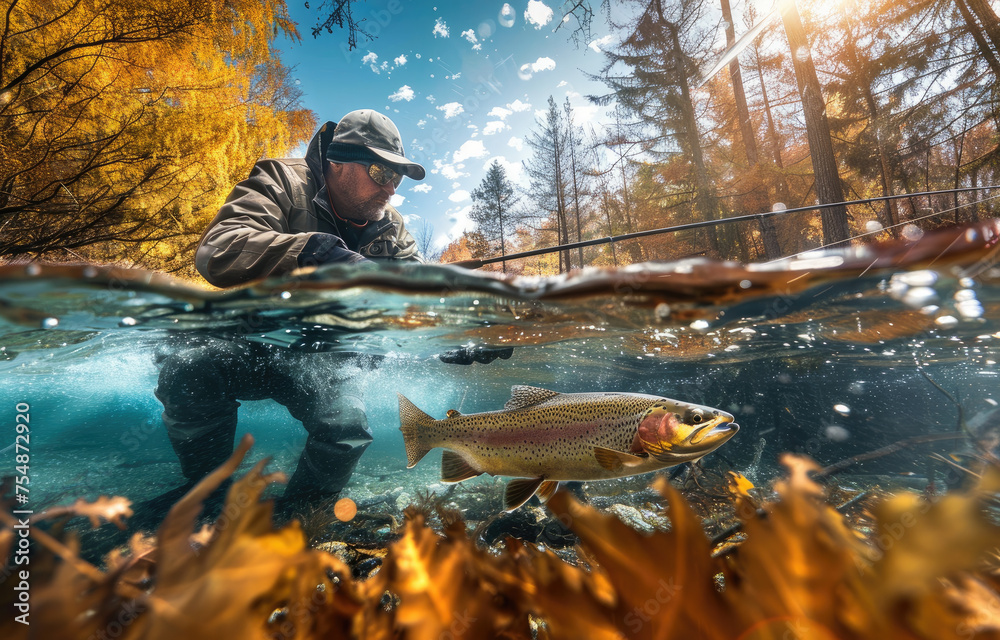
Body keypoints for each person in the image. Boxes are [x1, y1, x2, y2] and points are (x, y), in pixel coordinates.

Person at [154, 110, 426, 515]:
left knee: (345, 428)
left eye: (397, 178)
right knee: (186, 369)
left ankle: (298, 520)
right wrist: (311, 252)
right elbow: (218, 249)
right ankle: (205, 496)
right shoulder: (282, 180)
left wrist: (459, 333)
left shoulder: (393, 228)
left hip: (331, 356)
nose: (390, 189)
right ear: (338, 160)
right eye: (380, 172)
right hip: (252, 340)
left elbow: (420, 296)